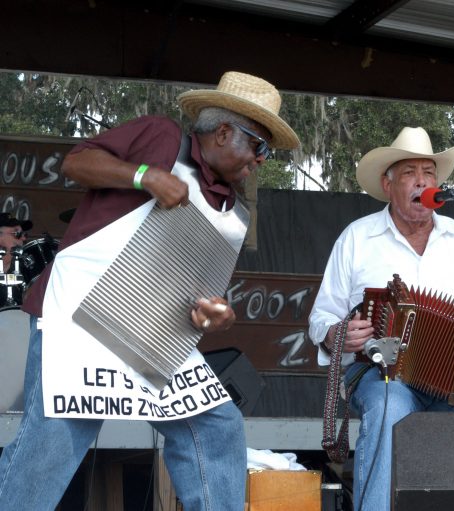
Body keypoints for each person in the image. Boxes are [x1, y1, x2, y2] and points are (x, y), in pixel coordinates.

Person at [0, 71, 299, 510]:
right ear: (222, 132)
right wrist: (145, 176)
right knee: (52, 448)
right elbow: (76, 162)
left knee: (217, 426)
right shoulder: (163, 139)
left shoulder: (232, 210)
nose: (261, 161)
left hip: (154, 336)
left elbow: (201, 292)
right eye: (260, 147)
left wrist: (217, 313)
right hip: (82, 319)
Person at [309, 126, 454, 511]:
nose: (422, 182)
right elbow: (321, 319)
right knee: (388, 407)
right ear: (388, 184)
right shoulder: (356, 238)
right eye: (410, 172)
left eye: (429, 173)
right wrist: (337, 334)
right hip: (382, 377)